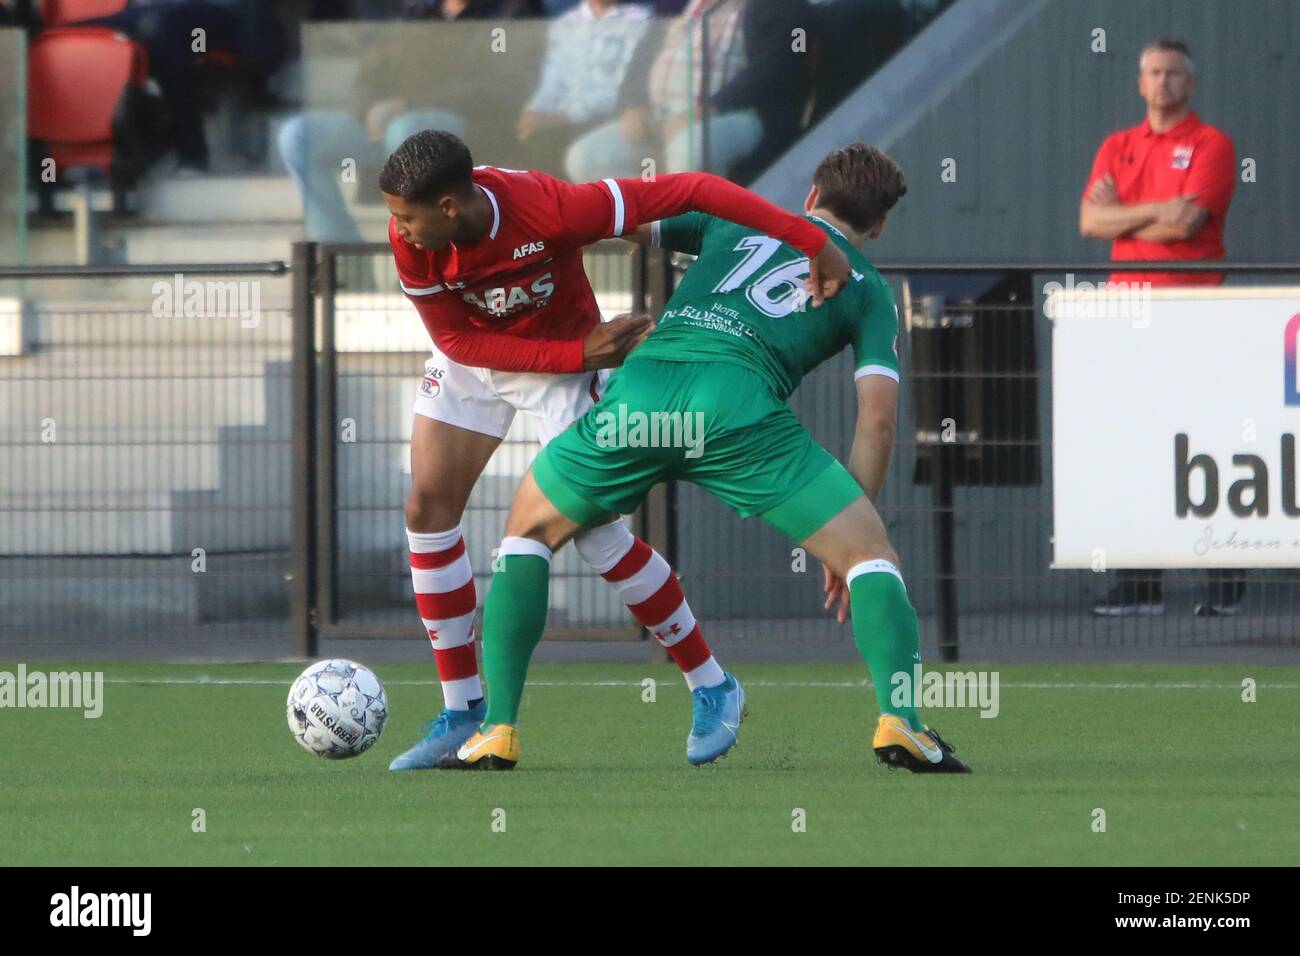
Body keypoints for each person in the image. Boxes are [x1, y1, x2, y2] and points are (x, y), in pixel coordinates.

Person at [445, 142, 973, 774]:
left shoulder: (734, 222)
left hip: (643, 394)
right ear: (880, 224)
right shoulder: (869, 290)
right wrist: (851, 531)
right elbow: (879, 421)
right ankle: (902, 722)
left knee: (528, 532)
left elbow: (622, 221)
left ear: (809, 196)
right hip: (737, 412)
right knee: (872, 558)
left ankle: (498, 729)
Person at [380, 129, 852, 769]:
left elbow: (695, 190)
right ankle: (462, 710)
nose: (397, 230)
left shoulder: (550, 209)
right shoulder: (414, 243)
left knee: (597, 539)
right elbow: (460, 343)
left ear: (449, 209)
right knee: (425, 509)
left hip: (564, 375)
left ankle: (714, 684)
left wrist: (811, 240)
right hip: (487, 353)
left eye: (406, 218)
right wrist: (579, 350)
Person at [1079, 38, 1240, 618]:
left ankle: (1223, 583)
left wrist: (1126, 214)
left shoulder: (1211, 143)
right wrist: (1157, 210)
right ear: (1140, 83)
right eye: (1153, 72)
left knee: (1204, 443)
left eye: (1174, 72)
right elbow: (1089, 221)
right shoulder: (1117, 145)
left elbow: (1189, 224)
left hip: (1192, 316)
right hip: (1127, 319)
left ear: (1189, 84)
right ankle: (1140, 584)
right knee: (1133, 448)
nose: (1164, 81)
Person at [564, 0, 812, 183]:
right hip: (659, 117)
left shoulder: (779, 5)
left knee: (689, 150)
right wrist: (632, 106)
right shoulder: (675, 5)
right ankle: (653, 233)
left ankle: (691, 246)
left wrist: (706, 110)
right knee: (585, 156)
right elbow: (640, 60)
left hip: (737, 115)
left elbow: (774, 68)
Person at [516, 0, 653, 172]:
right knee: (526, 136)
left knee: (547, 143)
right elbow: (553, 80)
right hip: (560, 120)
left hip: (606, 117)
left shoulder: (642, 20)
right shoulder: (565, 23)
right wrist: (535, 110)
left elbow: (622, 89)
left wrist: (565, 117)